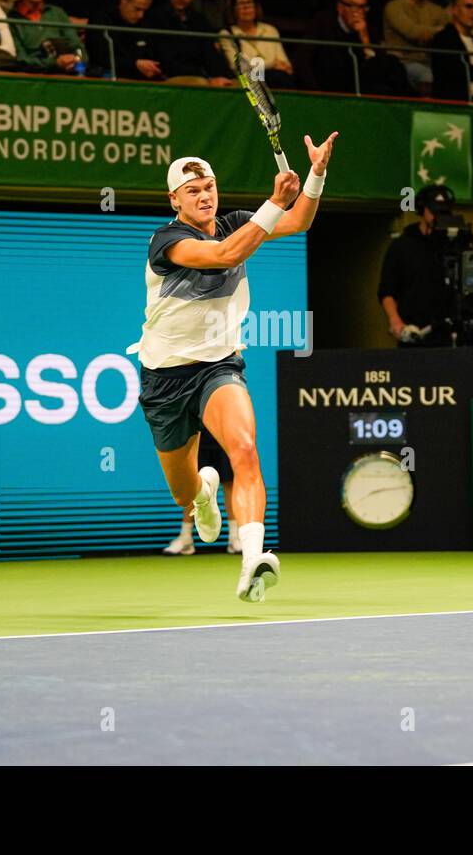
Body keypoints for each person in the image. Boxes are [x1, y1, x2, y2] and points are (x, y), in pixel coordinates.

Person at [129, 134, 338, 601]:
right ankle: (202, 492)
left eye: (209, 186)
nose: (204, 196)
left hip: (218, 367)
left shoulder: (237, 222)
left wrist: (316, 174)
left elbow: (300, 220)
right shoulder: (167, 241)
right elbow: (226, 255)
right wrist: (272, 202)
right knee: (183, 492)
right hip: (164, 378)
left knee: (244, 449)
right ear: (175, 200)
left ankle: (252, 561)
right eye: (192, 190)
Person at [378, 184, 473, 346]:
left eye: (443, 210)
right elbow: (387, 290)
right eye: (434, 209)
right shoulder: (402, 245)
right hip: (415, 332)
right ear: (422, 209)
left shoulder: (458, 241)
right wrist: (396, 321)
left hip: (452, 333)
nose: (438, 215)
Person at [309, 0, 409, 96]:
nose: (359, 12)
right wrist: (316, 92)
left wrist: (364, 37)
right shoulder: (323, 22)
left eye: (363, 7)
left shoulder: (368, 28)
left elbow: (376, 66)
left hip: (361, 85)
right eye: (353, 6)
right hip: (330, 83)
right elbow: (305, 59)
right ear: (340, 7)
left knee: (394, 66)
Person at [162, 429, 240, 555]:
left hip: (225, 433)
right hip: (196, 432)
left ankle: (234, 537)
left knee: (230, 483)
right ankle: (185, 538)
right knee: (192, 482)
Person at [382, 0, 448, 94]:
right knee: (427, 76)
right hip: (404, 63)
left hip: (432, 62)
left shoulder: (436, 9)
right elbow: (413, 32)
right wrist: (438, 31)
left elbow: (448, 34)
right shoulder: (394, 7)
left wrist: (436, 32)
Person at [8, 0, 83, 74]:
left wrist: (75, 60)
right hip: (32, 79)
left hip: (68, 73)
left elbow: (78, 47)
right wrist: (54, 64)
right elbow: (21, 59)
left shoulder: (57, 13)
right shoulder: (11, 19)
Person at [219, 0, 293, 87]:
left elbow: (285, 65)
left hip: (276, 79)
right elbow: (237, 67)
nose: (246, 8)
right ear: (233, 9)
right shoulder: (227, 34)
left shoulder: (270, 30)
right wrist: (271, 64)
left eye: (249, 2)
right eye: (241, 4)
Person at [430, 0, 473, 101]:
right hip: (455, 106)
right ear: (455, 10)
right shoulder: (443, 40)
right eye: (469, 7)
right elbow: (454, 76)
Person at [91, 0, 157, 79]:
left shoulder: (145, 22)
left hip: (140, 79)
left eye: (144, 10)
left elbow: (151, 54)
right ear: (124, 0)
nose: (141, 15)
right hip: (107, 77)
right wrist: (135, 64)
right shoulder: (102, 19)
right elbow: (100, 58)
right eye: (137, 9)